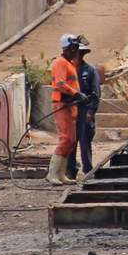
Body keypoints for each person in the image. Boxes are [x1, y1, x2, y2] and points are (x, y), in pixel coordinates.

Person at [45, 33, 84, 184]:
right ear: (67, 48)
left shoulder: (69, 64)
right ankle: (52, 174)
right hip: (62, 103)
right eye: (73, 48)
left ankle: (61, 174)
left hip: (70, 104)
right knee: (65, 139)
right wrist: (77, 94)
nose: (75, 51)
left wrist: (78, 96)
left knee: (71, 140)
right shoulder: (60, 62)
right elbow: (60, 84)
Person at [69, 35, 101, 180]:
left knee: (84, 141)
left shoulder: (90, 70)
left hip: (84, 110)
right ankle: (70, 170)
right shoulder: (67, 69)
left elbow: (95, 92)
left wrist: (91, 111)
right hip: (70, 111)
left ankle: (88, 169)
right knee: (70, 142)